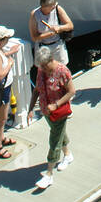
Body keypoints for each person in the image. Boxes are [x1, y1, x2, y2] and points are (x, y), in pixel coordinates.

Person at [34, 46, 74, 189]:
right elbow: (37, 89)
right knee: (59, 133)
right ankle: (68, 155)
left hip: (58, 111)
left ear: (51, 60)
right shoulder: (41, 70)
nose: (43, 69)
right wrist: (31, 107)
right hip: (45, 110)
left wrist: (56, 105)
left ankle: (49, 173)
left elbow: (71, 91)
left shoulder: (62, 71)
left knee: (54, 140)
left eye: (45, 66)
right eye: (41, 66)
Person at [0, 25, 21, 159]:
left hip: (3, 88)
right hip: (1, 90)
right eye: (6, 38)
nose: (8, 40)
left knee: (2, 118)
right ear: (0, 40)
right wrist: (10, 64)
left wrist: (9, 53)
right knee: (1, 120)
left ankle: (2, 139)